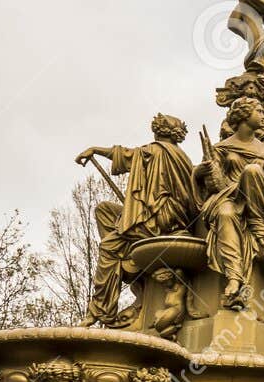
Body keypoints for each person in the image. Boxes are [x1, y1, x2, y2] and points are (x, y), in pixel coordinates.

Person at [74, 115, 197, 325]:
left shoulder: (156, 150)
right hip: (170, 217)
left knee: (108, 247)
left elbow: (124, 154)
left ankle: (100, 311)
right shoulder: (182, 157)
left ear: (160, 131)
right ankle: (126, 257)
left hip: (157, 221)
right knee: (105, 210)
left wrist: (94, 149)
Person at [197, 96, 264, 309]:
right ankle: (234, 279)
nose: (263, 116)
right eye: (259, 111)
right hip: (229, 196)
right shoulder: (221, 147)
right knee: (225, 214)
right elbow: (212, 183)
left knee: (252, 170)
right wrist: (202, 171)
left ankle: (256, 221)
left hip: (260, 202)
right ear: (244, 114)